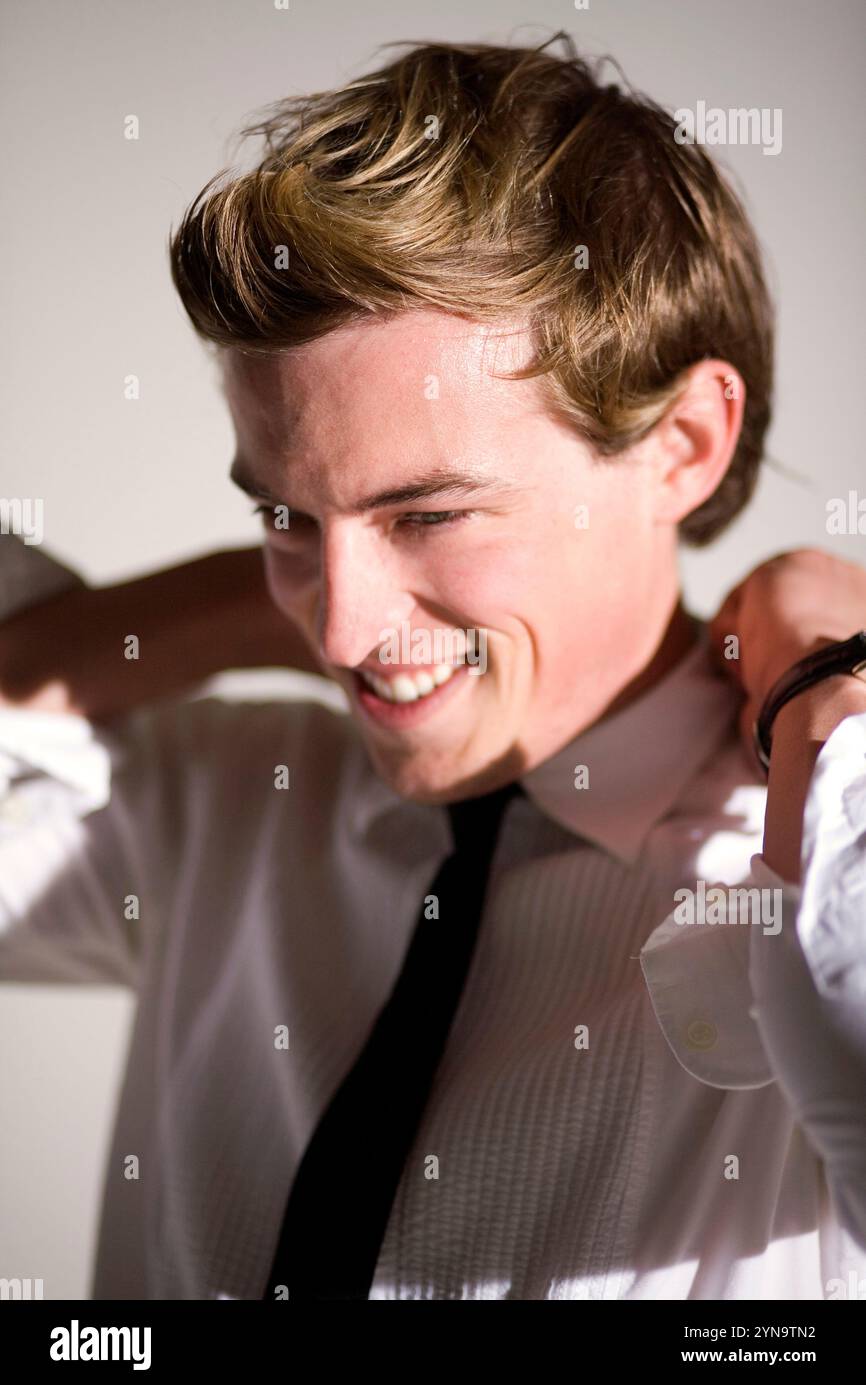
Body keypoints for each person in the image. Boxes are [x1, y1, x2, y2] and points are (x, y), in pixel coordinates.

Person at [2, 33, 865, 1302]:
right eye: (283, 516)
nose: (337, 631)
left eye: (428, 514)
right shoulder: (210, 811)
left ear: (682, 443)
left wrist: (826, 675)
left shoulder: (797, 868)